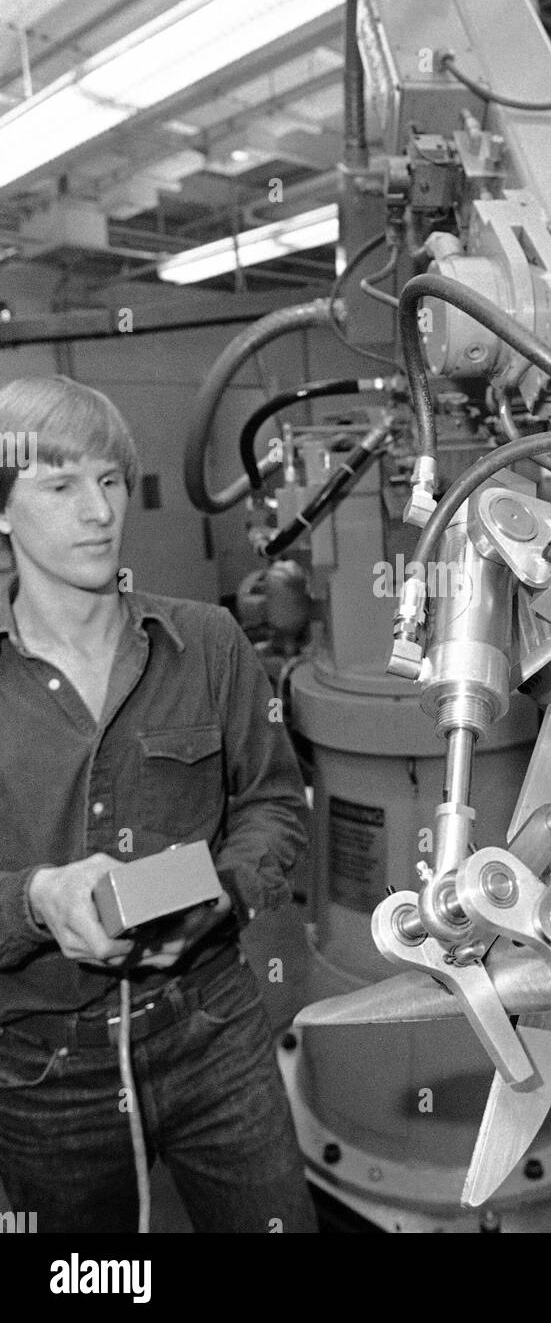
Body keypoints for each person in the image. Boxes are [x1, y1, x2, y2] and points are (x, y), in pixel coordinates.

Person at [0, 374, 317, 1233]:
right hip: (44, 1070)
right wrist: (38, 900)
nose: (99, 511)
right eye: (59, 486)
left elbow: (276, 808)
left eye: (109, 481)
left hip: (215, 1029)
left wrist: (227, 890)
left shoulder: (207, 642)